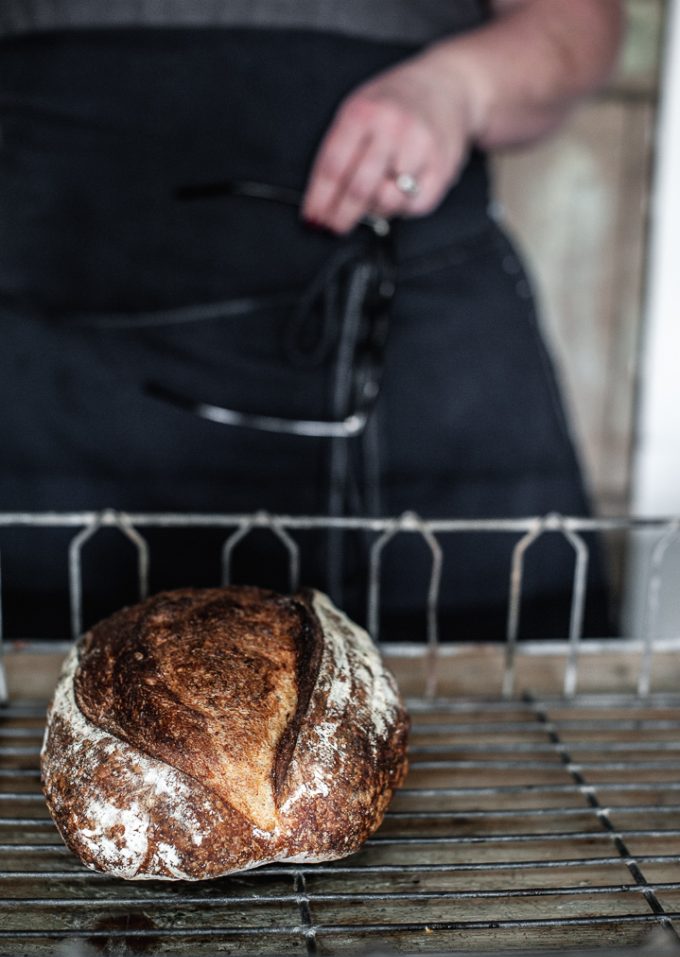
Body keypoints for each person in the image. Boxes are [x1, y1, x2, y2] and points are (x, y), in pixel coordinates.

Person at [0, 0, 623, 640]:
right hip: (48, 366)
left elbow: (580, 24)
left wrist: (456, 86)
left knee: (496, 716)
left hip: (396, 348)